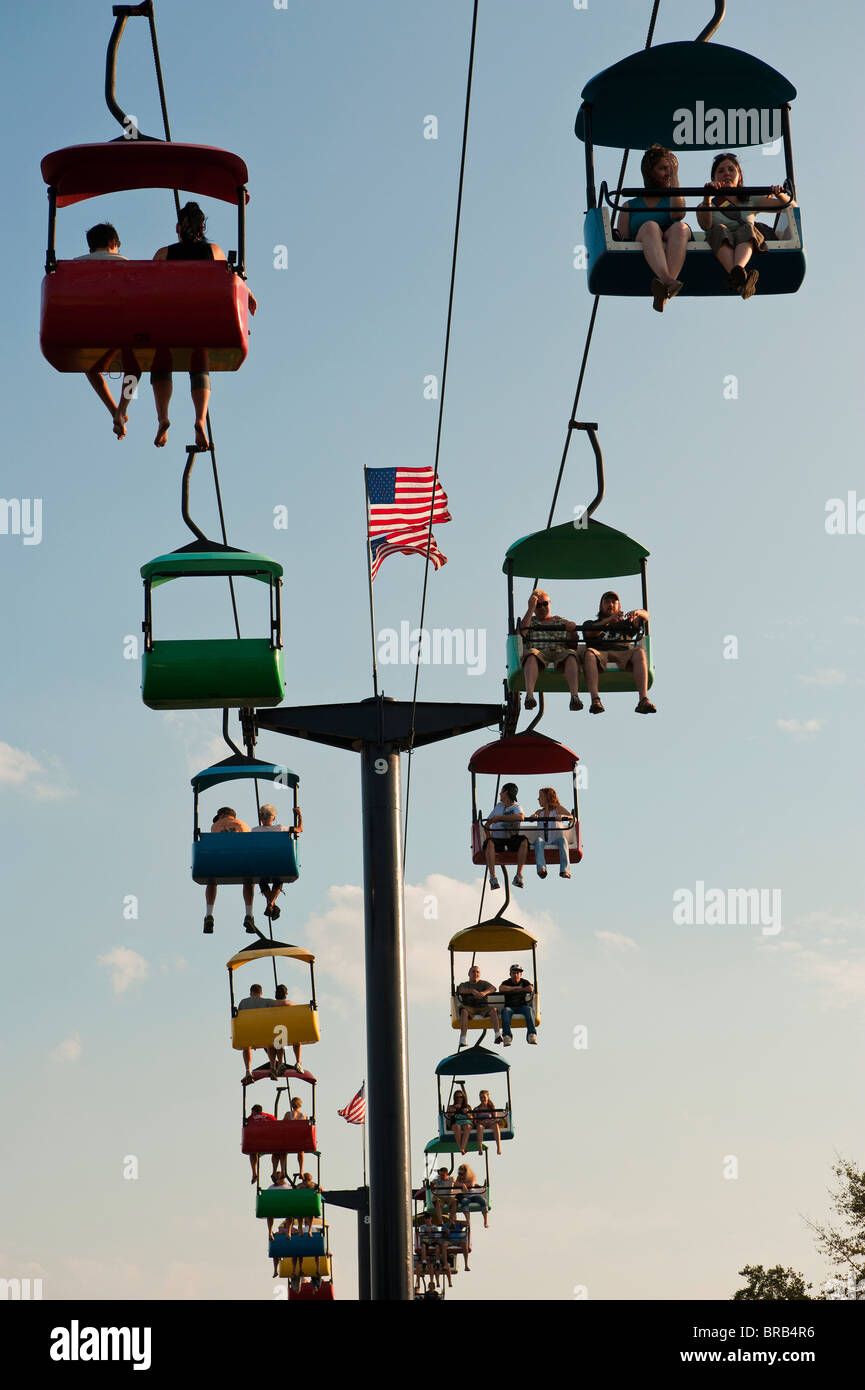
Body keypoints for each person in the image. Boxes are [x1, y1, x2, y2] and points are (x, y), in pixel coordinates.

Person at [150, 201, 258, 449]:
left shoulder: (164, 254)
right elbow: (234, 279)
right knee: (200, 363)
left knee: (161, 362)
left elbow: (148, 289)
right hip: (203, 325)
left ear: (178, 227)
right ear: (202, 229)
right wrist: (247, 297)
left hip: (169, 326)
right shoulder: (215, 252)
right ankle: (200, 418)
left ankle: (163, 417)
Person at [696, 152, 793, 299]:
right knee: (719, 229)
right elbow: (705, 224)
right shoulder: (707, 203)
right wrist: (707, 197)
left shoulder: (749, 199)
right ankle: (741, 279)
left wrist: (779, 193)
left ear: (739, 175)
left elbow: (789, 206)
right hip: (720, 240)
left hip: (746, 239)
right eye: (721, 171)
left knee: (747, 228)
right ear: (714, 178)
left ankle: (738, 273)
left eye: (731, 169)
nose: (726, 174)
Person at [76, 224, 140, 439]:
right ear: (113, 244)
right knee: (134, 370)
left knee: (92, 370)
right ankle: (122, 408)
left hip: (90, 328)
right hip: (120, 326)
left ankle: (114, 411)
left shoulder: (75, 265)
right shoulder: (124, 264)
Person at [617, 145, 691, 312]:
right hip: (645, 241)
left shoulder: (672, 199)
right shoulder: (629, 206)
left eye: (670, 169)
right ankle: (668, 280)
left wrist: (675, 177)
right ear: (650, 172)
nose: (667, 173)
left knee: (681, 227)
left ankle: (665, 287)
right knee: (650, 226)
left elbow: (679, 214)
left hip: (673, 240)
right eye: (663, 169)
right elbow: (622, 241)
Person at [582, 591, 655, 714]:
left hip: (622, 653)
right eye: (607, 602)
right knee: (589, 654)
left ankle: (643, 699)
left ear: (619, 607)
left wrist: (638, 612)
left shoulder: (625, 624)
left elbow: (646, 616)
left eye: (614, 602)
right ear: (601, 606)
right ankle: (595, 700)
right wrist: (608, 621)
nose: (610, 604)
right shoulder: (591, 623)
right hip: (600, 653)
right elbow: (589, 633)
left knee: (639, 652)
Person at [519, 589, 583, 711]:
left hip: (560, 653)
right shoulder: (529, 621)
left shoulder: (561, 621)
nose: (542, 608)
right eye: (538, 605)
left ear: (550, 603)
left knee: (571, 654)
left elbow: (573, 644)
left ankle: (575, 697)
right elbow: (520, 634)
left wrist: (572, 631)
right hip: (540, 654)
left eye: (545, 604)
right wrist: (530, 609)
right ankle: (530, 696)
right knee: (531, 654)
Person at [202, 806, 256, 935]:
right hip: (241, 860)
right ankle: (249, 915)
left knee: (211, 879)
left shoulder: (215, 826)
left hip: (220, 861)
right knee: (249, 880)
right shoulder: (243, 825)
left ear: (222, 815)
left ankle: (209, 915)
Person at [250, 802, 303, 921]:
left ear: (261, 817)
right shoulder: (281, 828)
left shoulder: (254, 830)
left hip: (261, 864)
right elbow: (299, 829)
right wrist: (299, 815)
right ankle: (271, 904)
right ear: (273, 817)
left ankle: (271, 903)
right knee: (279, 880)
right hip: (278, 862)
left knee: (261, 880)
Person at [482, 782, 528, 890]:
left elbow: (521, 817)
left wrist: (500, 818)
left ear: (505, 792)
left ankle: (519, 875)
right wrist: (489, 836)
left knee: (524, 841)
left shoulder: (516, 807)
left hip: (511, 839)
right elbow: (487, 824)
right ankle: (493, 878)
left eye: (501, 791)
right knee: (489, 843)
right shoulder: (498, 807)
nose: (499, 794)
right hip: (498, 839)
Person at [526, 787, 575, 879]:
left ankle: (565, 870)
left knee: (563, 840)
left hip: (556, 839)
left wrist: (563, 816)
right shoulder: (539, 812)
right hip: (544, 840)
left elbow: (573, 818)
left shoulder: (557, 809)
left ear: (547, 797)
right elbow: (532, 818)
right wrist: (533, 817)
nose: (538, 799)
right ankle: (541, 868)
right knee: (538, 841)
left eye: (540, 796)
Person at [238, 982, 279, 1081]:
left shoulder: (243, 1003)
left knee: (246, 1045)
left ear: (251, 993)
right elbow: (282, 1004)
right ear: (261, 993)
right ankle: (273, 1067)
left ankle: (248, 1070)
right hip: (264, 1034)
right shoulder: (267, 1001)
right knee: (270, 1044)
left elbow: (238, 1018)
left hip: (249, 1034)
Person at [455, 964, 502, 1047]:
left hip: (482, 1007)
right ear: (469, 974)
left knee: (493, 1010)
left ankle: (497, 1035)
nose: (475, 974)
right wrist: (472, 991)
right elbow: (460, 990)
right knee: (463, 1011)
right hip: (470, 1007)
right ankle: (463, 1038)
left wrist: (483, 993)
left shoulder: (483, 983)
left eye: (477, 972)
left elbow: (493, 988)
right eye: (473, 971)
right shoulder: (464, 984)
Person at [499, 964, 538, 1047]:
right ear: (510, 974)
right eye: (514, 973)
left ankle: (531, 1034)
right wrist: (516, 988)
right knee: (505, 1011)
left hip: (521, 1006)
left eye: (518, 973)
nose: (516, 975)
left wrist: (511, 989)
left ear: (521, 974)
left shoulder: (524, 982)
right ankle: (507, 1036)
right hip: (510, 1007)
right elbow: (501, 988)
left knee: (529, 1010)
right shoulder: (506, 982)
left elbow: (530, 988)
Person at [272, 983, 303, 1074]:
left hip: (277, 1031)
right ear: (285, 994)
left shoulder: (271, 1004)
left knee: (279, 1041)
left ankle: (280, 1062)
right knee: (297, 1041)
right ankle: (298, 1061)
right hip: (289, 1030)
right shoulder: (290, 1004)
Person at [244, 1102, 275, 1183]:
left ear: (254, 1111)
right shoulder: (270, 1116)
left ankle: (254, 1173)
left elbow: (247, 1127)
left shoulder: (251, 1117)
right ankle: (274, 1171)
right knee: (277, 1152)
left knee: (252, 1153)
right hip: (270, 1141)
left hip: (257, 1142)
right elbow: (276, 1124)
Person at [455, 1162, 489, 1228]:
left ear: (466, 1173)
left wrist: (464, 1185)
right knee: (464, 1202)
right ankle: (467, 1220)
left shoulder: (472, 1176)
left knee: (482, 1201)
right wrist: (462, 1185)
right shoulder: (459, 1177)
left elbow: (471, 1184)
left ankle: (485, 1221)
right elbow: (455, 1184)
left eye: (462, 1174)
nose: (460, 1175)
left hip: (473, 1195)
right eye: (459, 1173)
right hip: (465, 1196)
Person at [444, 1088, 474, 1155]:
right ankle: (462, 1148)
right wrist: (455, 1108)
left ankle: (461, 1148)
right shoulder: (451, 1106)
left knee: (467, 1126)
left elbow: (472, 1118)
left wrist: (467, 1113)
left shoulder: (467, 1106)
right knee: (457, 1127)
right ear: (454, 1098)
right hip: (455, 1122)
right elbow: (449, 1114)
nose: (459, 1099)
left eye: (461, 1097)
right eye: (457, 1097)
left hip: (466, 1122)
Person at [473, 1090, 502, 1156]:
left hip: (490, 1123)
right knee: (479, 1127)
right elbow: (475, 1120)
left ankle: (499, 1147)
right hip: (481, 1123)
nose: (482, 1099)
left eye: (484, 1097)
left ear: (488, 1097)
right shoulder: (477, 1109)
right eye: (481, 1097)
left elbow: (495, 1118)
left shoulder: (491, 1108)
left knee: (496, 1126)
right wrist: (479, 1122)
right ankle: (480, 1148)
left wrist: (494, 1121)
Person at [265, 1172, 289, 1240]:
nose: (276, 1181)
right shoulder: (271, 1187)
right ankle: (270, 1232)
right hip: (274, 1208)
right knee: (269, 1214)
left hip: (285, 1207)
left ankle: (288, 1231)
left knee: (290, 1214)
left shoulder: (288, 1187)